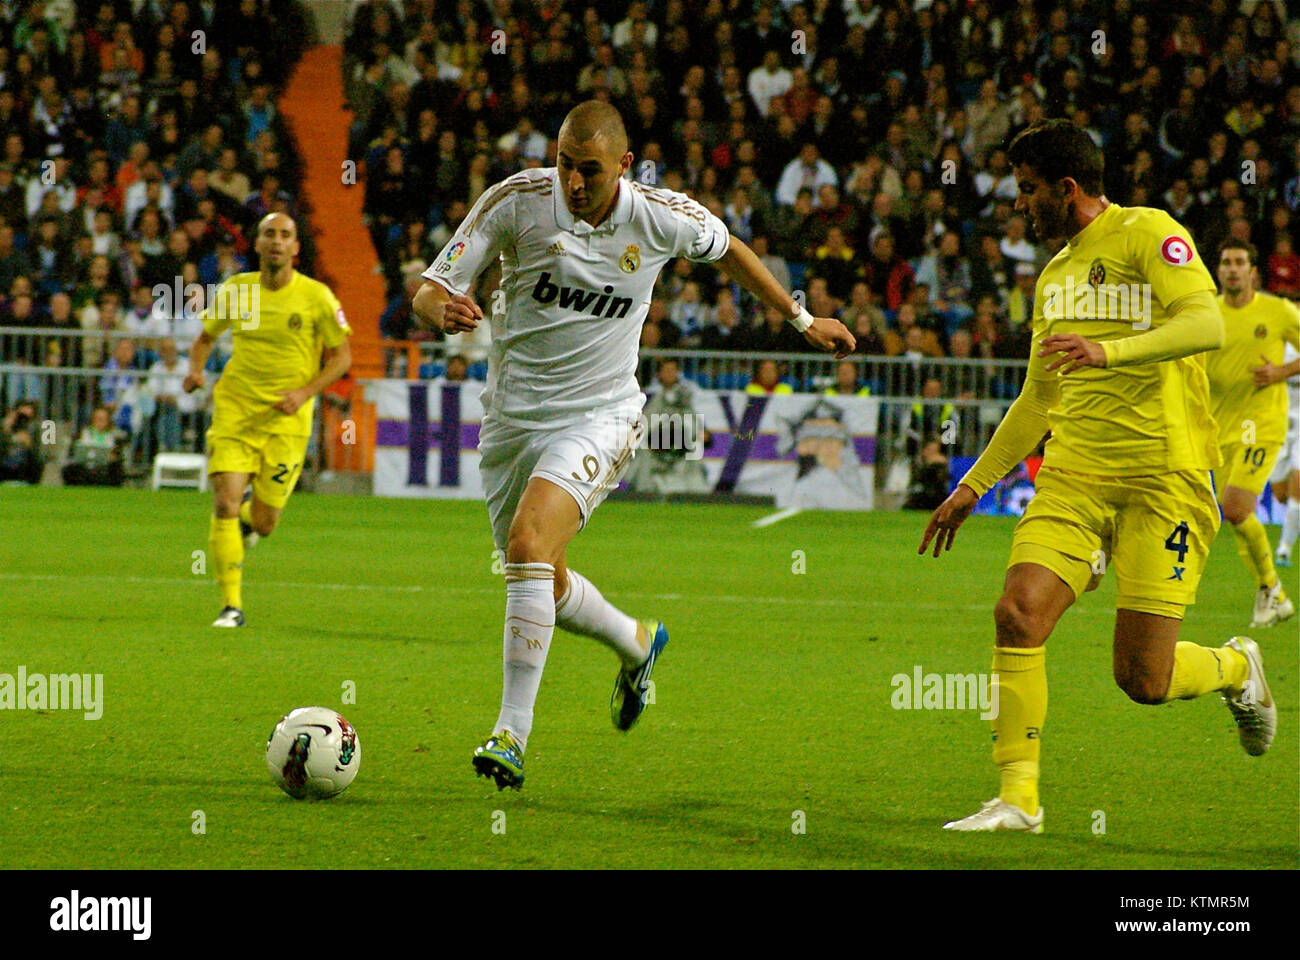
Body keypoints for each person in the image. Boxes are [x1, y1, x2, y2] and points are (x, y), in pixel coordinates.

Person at [411, 100, 853, 791]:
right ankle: (637, 644)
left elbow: (731, 250)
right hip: (510, 420)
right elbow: (431, 287)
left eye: (588, 169)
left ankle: (510, 734)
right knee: (538, 575)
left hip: (601, 415)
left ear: (623, 164)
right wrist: (441, 309)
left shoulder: (659, 215)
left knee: (528, 545)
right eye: (563, 164)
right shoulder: (517, 201)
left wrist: (800, 320)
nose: (573, 181)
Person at [919, 119, 1273, 835]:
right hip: (1076, 477)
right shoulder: (1052, 278)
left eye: (1027, 191)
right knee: (1017, 613)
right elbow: (1040, 399)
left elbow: (1205, 323)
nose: (1020, 205)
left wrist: (1110, 354)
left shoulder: (1149, 233)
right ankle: (1018, 799)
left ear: (1066, 188)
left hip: (1164, 479)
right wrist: (972, 485)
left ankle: (1238, 669)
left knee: (1144, 680)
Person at [182, 213, 352, 628]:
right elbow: (205, 338)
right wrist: (196, 370)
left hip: (287, 422)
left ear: (296, 248)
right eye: (269, 234)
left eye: (285, 236)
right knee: (224, 501)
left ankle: (247, 526)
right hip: (236, 411)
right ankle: (232, 607)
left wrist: (304, 393)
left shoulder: (316, 297)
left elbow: (343, 357)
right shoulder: (236, 290)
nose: (276, 242)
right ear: (256, 244)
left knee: (265, 521)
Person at [1205, 242, 1299, 626]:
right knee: (1235, 515)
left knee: (1237, 506)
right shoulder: (1205, 313)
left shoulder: (1277, 312)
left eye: (1240, 262)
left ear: (1253, 272)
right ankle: (1272, 590)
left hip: (1261, 423)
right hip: (1218, 428)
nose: (1232, 269)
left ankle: (1271, 590)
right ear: (1218, 271)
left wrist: (1281, 371)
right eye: (1226, 262)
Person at [1271, 341, 1300, 567]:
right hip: (1280, 418)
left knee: (1298, 488)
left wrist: (1282, 371)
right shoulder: (1279, 338)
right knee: (1280, 493)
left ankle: (1284, 549)